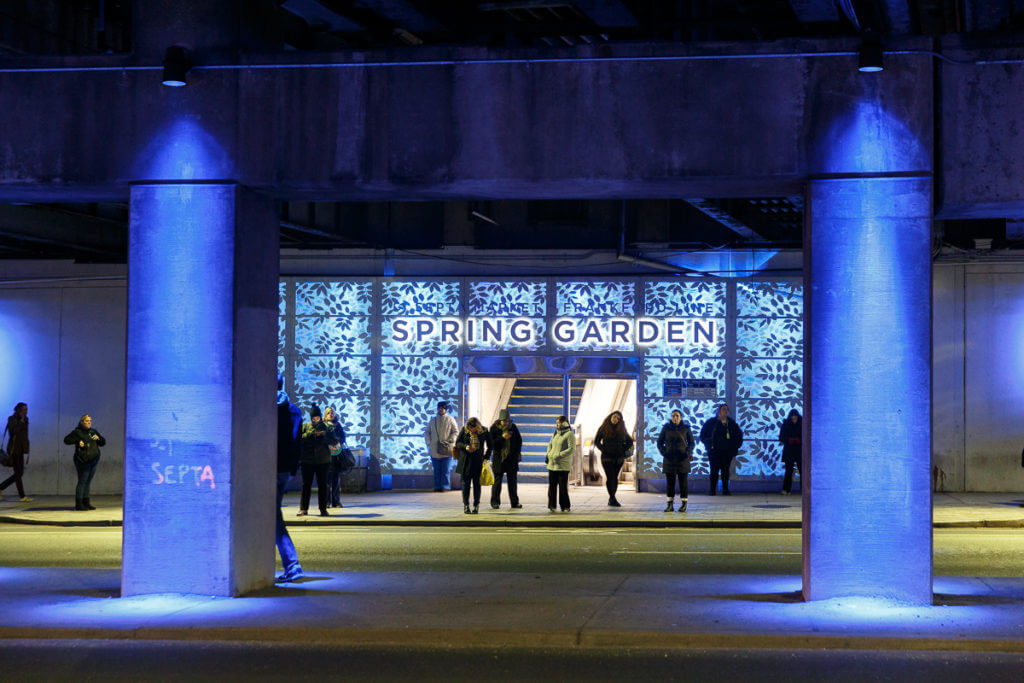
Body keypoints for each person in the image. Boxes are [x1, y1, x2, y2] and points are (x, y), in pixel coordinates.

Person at [275, 374, 304, 583]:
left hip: (268, 466)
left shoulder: (265, 407)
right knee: (271, 516)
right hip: (284, 469)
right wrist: (293, 469)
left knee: (273, 519)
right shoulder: (293, 410)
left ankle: (292, 565)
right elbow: (296, 442)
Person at [63, 414, 105, 511]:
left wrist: (98, 439)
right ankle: (79, 503)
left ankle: (86, 502)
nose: (89, 422)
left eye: (90, 421)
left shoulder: (93, 431)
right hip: (82, 460)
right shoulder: (77, 432)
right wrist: (77, 441)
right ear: (82, 422)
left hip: (94, 459)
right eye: (87, 421)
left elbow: (103, 442)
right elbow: (66, 440)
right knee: (82, 481)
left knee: (88, 481)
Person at [700, 404, 743, 495]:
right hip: (714, 452)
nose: (725, 411)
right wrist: (708, 445)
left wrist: (735, 447)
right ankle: (712, 490)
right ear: (718, 411)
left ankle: (725, 489)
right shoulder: (712, 422)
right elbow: (703, 435)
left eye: (726, 410)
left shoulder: (731, 423)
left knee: (725, 471)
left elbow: (738, 436)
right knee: (714, 471)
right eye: (723, 409)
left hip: (727, 452)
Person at [594, 411, 633, 507]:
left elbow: (630, 441)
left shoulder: (622, 429)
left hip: (618, 457)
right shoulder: (603, 428)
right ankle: (612, 497)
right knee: (610, 477)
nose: (615, 419)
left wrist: (622, 449)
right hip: (607, 457)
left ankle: (612, 498)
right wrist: (604, 449)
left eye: (618, 418)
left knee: (615, 478)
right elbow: (596, 441)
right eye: (614, 417)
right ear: (610, 417)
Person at [299, 405, 333, 517]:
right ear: (311, 418)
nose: (315, 420)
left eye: (317, 418)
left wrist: (324, 435)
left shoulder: (326, 427)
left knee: (323, 485)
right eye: (313, 418)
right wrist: (310, 435)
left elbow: (334, 440)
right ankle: (303, 509)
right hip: (307, 460)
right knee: (306, 485)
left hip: (323, 461)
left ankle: (323, 509)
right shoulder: (305, 427)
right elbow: (299, 439)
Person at [657, 409, 694, 512]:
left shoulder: (685, 428)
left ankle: (684, 504)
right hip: (669, 460)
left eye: (677, 416)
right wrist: (664, 452)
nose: (675, 418)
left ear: (681, 417)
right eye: (673, 416)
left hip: (682, 460)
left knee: (683, 483)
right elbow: (659, 442)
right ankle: (670, 504)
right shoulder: (666, 428)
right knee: (670, 483)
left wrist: (687, 452)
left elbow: (691, 442)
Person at [454, 417, 490, 514]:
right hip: (465, 462)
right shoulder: (464, 430)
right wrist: (465, 447)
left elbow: (491, 445)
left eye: (473, 429)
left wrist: (486, 457)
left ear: (477, 427)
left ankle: (476, 505)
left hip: (478, 461)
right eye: (470, 428)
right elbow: (457, 443)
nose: (471, 430)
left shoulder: (484, 431)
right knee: (465, 485)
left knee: (477, 485)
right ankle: (466, 505)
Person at [489, 408, 523, 509]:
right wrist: (503, 437)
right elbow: (492, 444)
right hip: (499, 459)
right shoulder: (494, 429)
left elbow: (519, 441)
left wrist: (517, 452)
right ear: (500, 420)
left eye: (508, 421)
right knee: (497, 482)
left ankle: (514, 502)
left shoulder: (513, 428)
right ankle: (495, 502)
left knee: (512, 482)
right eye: (504, 421)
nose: (506, 423)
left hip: (511, 459)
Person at [1, 402, 33, 502]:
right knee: (18, 473)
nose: (26, 411)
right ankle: (22, 496)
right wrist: (21, 421)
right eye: (24, 409)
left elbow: (24, 435)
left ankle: (1, 487)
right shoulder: (12, 419)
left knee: (19, 473)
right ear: (18, 410)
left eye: (26, 409)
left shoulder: (25, 419)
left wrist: (26, 449)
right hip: (14, 450)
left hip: (21, 449)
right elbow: (14, 431)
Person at [425, 401, 458, 492]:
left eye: (442, 408)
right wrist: (429, 443)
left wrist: (451, 440)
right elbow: (427, 432)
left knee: (446, 470)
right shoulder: (433, 420)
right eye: (439, 408)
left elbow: (455, 432)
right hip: (434, 447)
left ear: (445, 409)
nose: (440, 410)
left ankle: (445, 486)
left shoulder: (450, 419)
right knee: (437, 470)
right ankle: (437, 486)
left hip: (447, 447)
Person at [545, 415, 575, 512]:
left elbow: (571, 449)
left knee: (563, 488)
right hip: (552, 465)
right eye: (557, 423)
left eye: (560, 422)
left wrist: (559, 455)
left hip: (562, 466)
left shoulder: (569, 434)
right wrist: (549, 454)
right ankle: (552, 506)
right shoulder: (555, 433)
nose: (558, 424)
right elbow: (550, 445)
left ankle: (565, 506)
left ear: (565, 423)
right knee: (552, 487)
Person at [323, 406, 347, 508]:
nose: (331, 414)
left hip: (336, 455)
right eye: (328, 413)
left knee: (336, 480)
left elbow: (342, 437)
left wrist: (337, 444)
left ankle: (336, 501)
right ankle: (326, 502)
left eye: (332, 412)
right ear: (325, 415)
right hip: (325, 457)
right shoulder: (322, 425)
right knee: (326, 481)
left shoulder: (338, 425)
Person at [779, 409, 802, 495]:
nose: (794, 418)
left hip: (800, 451)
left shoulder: (802, 424)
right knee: (788, 471)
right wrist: (789, 440)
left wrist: (800, 440)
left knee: (802, 471)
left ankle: (803, 489)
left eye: (795, 416)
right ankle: (786, 489)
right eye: (793, 417)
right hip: (789, 451)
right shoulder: (786, 424)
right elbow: (781, 437)